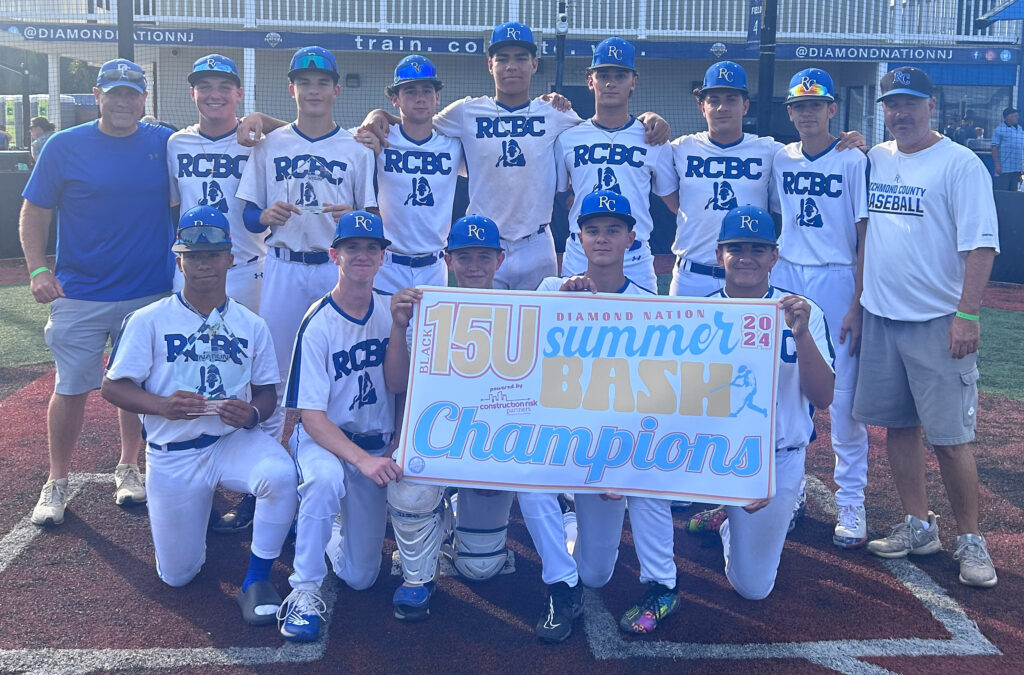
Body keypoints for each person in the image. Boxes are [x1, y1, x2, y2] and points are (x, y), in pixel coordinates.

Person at [360, 21, 669, 291]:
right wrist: (379, 115)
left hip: (537, 243)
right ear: (489, 65)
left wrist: (647, 119)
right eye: (503, 58)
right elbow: (418, 122)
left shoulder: (554, 113)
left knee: (538, 328)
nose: (512, 66)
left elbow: (601, 129)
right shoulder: (466, 112)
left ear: (534, 65)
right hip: (484, 243)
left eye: (521, 58)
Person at [100, 206, 298, 627]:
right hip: (173, 453)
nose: (203, 263)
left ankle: (257, 579)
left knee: (281, 475)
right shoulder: (149, 320)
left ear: (230, 258)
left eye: (213, 254)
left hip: (229, 442)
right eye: (193, 255)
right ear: (180, 261)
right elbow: (112, 387)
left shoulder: (251, 324)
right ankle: (194, 511)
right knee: (178, 576)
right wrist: (161, 405)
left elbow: (267, 394)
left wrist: (251, 414)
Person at [856, 66, 1000, 588]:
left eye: (911, 103)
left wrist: (968, 314)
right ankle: (919, 525)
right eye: (892, 104)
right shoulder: (876, 157)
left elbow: (981, 245)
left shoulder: (960, 164)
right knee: (899, 427)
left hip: (938, 321)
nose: (901, 113)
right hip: (882, 317)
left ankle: (971, 539)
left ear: (931, 106)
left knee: (950, 439)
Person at [20, 58, 175, 525]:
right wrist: (37, 269)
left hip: (149, 291)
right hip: (80, 291)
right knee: (70, 387)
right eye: (114, 93)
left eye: (131, 93)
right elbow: (35, 210)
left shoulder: (164, 142)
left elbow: (230, 134)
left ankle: (128, 466)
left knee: (135, 384)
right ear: (97, 96)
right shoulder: (63, 145)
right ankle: (56, 480)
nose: (122, 101)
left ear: (144, 99)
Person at [538, 190, 682, 635]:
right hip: (572, 442)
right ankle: (568, 531)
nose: (602, 238)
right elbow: (526, 364)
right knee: (592, 573)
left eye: (613, 230)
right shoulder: (551, 291)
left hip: (623, 443)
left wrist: (620, 463)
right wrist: (562, 302)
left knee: (651, 468)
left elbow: (658, 394)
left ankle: (664, 584)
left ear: (630, 239)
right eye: (593, 230)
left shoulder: (649, 303)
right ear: (578, 238)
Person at [236, 46, 376, 442]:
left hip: (335, 269)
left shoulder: (356, 147)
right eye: (304, 82)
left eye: (322, 83)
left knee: (340, 364)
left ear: (336, 91)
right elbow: (248, 216)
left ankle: (333, 454)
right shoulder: (269, 144)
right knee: (274, 369)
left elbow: (371, 219)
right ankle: (266, 458)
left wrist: (353, 217)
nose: (313, 90)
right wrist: (265, 216)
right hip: (282, 266)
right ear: (291, 90)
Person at [383, 215, 518, 622]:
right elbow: (397, 384)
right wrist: (398, 325)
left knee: (481, 568)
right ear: (447, 260)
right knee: (408, 484)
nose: (474, 266)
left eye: (483, 257)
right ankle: (418, 578)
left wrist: (505, 461)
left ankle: (454, 510)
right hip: (436, 434)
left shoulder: (522, 312)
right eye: (464, 257)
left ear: (500, 259)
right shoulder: (429, 308)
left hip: (492, 440)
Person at [276, 210, 403, 642]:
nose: (362, 254)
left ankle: (324, 527)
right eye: (352, 247)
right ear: (335, 255)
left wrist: (394, 442)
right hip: (325, 440)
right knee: (324, 481)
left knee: (361, 577)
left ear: (383, 257)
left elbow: (400, 387)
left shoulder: (391, 311)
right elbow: (311, 418)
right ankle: (303, 591)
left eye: (371, 247)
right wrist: (363, 460)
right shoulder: (318, 321)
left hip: (375, 442)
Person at [706, 205, 835, 600]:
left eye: (758, 249)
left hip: (777, 457)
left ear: (774, 256)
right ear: (719, 254)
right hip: (707, 452)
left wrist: (801, 335)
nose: (746, 257)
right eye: (736, 248)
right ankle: (667, 571)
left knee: (753, 588)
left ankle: (730, 526)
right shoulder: (699, 313)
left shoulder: (803, 313)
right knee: (649, 488)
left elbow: (823, 397)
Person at [769, 68, 870, 548]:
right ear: (790, 112)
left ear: (832, 108)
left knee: (843, 396)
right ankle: (788, 493)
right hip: (788, 273)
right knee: (786, 387)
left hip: (835, 274)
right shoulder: (780, 157)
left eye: (815, 104)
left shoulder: (852, 159)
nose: (807, 113)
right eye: (799, 106)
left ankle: (851, 501)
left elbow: (865, 235)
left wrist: (857, 302)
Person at [168, 54, 269, 533]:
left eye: (224, 86)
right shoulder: (176, 143)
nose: (214, 94)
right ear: (192, 93)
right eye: (204, 86)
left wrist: (261, 118)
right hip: (193, 272)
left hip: (247, 270)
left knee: (250, 379)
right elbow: (171, 202)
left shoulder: (258, 139)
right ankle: (196, 484)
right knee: (190, 374)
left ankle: (250, 488)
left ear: (238, 94)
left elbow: (300, 126)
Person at [554, 36, 678, 292]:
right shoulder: (568, 138)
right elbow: (558, 193)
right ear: (590, 81)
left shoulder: (653, 139)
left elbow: (675, 204)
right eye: (603, 76)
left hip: (635, 256)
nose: (611, 83)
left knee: (642, 319)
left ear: (633, 82)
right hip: (580, 253)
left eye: (620, 76)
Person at [668, 61, 784, 298]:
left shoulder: (770, 150)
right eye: (714, 100)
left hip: (748, 276)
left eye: (731, 99)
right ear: (702, 106)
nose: (722, 107)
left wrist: (848, 140)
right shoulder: (681, 148)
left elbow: (810, 155)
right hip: (691, 277)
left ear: (745, 106)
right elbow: (671, 198)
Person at [372, 55, 463, 292]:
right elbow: (331, 140)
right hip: (387, 264)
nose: (420, 98)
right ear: (395, 99)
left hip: (434, 266)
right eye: (410, 91)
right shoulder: (380, 137)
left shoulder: (454, 145)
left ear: (437, 97)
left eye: (427, 91)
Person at [991, 106, 1024, 191]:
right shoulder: (999, 130)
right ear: (1009, 117)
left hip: (1017, 169)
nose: (1018, 118)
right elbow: (994, 148)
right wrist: (997, 165)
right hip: (1004, 169)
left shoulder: (1019, 129)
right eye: (1015, 116)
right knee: (1003, 192)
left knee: (1014, 193)